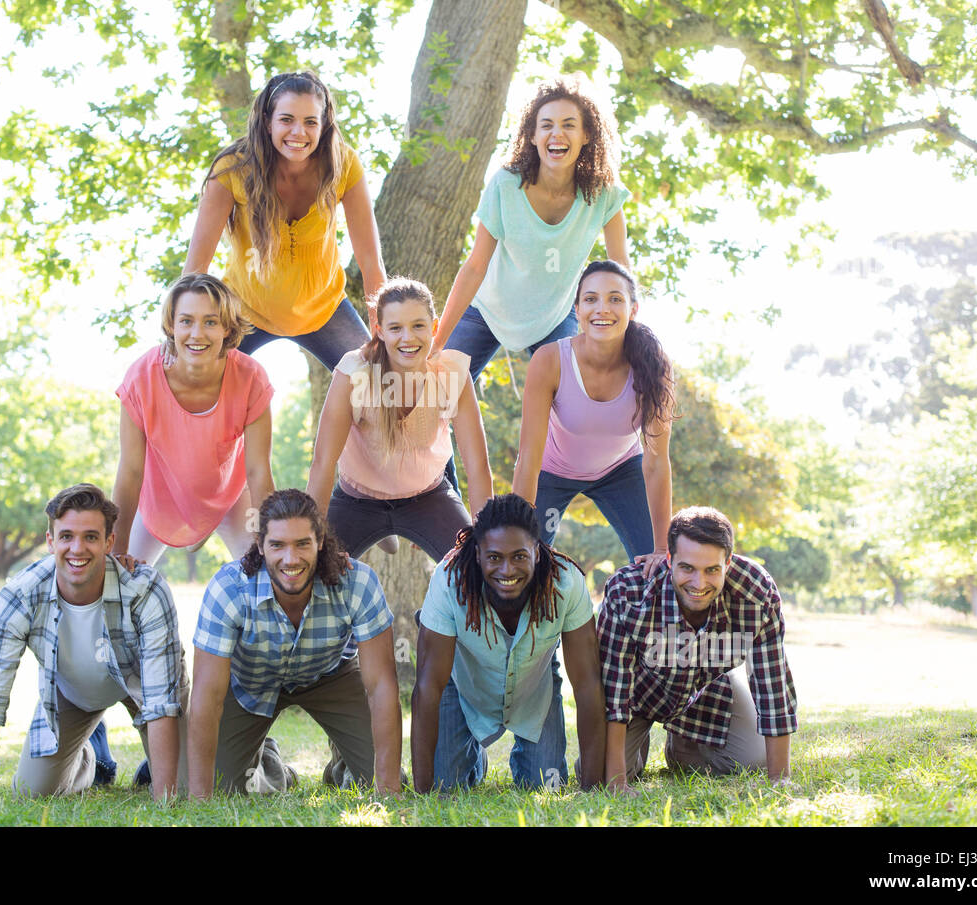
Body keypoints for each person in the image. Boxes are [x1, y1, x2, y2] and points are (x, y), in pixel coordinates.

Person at [90, 272, 275, 785]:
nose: (197, 332)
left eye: (210, 322)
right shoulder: (142, 377)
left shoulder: (250, 378)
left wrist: (269, 545)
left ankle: (253, 737)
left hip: (228, 499)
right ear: (170, 324)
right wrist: (116, 553)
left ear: (227, 328)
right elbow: (128, 473)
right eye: (187, 320)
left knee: (263, 599)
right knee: (108, 608)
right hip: (155, 502)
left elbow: (259, 471)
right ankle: (97, 743)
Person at [0, 484, 188, 801]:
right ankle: (93, 757)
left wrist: (166, 801)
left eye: (90, 537)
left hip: (144, 689)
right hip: (75, 695)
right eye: (66, 537)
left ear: (109, 542)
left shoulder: (145, 590)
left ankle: (164, 767)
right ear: (51, 541)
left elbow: (162, 702)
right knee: (31, 791)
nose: (77, 548)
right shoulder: (21, 595)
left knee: (193, 782)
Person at [186, 489, 402, 797]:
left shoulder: (358, 582)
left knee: (381, 774)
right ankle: (269, 761)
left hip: (329, 674)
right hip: (250, 683)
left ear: (320, 542)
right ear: (260, 545)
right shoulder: (229, 589)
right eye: (277, 545)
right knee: (221, 787)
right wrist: (198, 800)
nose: (291, 559)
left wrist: (390, 790)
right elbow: (206, 695)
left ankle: (344, 760)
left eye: (303, 544)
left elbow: (382, 685)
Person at [182, 70, 387, 371]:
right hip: (243, 311)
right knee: (192, 376)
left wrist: (382, 340)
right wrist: (181, 332)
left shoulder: (343, 166)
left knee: (378, 384)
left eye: (310, 122)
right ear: (267, 122)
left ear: (324, 125)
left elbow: (370, 262)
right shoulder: (232, 170)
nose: (298, 132)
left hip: (324, 309)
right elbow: (195, 268)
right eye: (287, 119)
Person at [432, 75, 632, 382]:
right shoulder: (506, 185)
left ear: (586, 134)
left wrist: (628, 330)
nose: (557, 133)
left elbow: (620, 270)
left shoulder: (603, 194)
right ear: (534, 135)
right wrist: (439, 340)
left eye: (568, 124)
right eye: (547, 125)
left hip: (555, 314)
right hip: (489, 309)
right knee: (439, 388)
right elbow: (474, 267)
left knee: (567, 399)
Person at [411, 494, 606, 792]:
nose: (507, 570)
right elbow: (427, 687)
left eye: (519, 556)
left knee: (546, 787)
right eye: (494, 557)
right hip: (463, 687)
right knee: (444, 788)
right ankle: (474, 758)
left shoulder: (566, 584)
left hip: (535, 689)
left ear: (537, 553)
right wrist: (423, 792)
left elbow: (588, 685)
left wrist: (594, 786)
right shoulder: (449, 581)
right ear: (478, 554)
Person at [596, 506, 798, 791]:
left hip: (703, 689)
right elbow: (612, 691)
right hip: (636, 698)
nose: (698, 583)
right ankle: (635, 747)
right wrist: (618, 782)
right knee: (596, 775)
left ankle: (682, 749)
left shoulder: (757, 592)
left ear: (728, 562)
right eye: (687, 568)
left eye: (712, 570)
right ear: (669, 558)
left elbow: (772, 683)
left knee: (754, 760)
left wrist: (781, 780)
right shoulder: (628, 592)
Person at [306, 277, 494, 562]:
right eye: (395, 328)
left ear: (434, 326)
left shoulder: (452, 373)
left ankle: (430, 602)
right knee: (317, 571)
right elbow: (322, 461)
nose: (408, 338)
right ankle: (383, 534)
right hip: (358, 500)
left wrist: (486, 540)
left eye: (418, 326)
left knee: (474, 567)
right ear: (380, 332)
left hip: (428, 498)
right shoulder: (354, 373)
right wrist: (313, 538)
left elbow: (478, 465)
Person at [511, 259, 674, 576]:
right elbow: (529, 456)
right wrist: (516, 533)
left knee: (661, 568)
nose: (603, 309)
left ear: (633, 309)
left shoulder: (654, 365)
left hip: (620, 471)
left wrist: (662, 549)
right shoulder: (550, 360)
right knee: (523, 565)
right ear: (576, 310)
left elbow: (656, 462)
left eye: (615, 299)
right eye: (591, 299)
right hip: (551, 472)